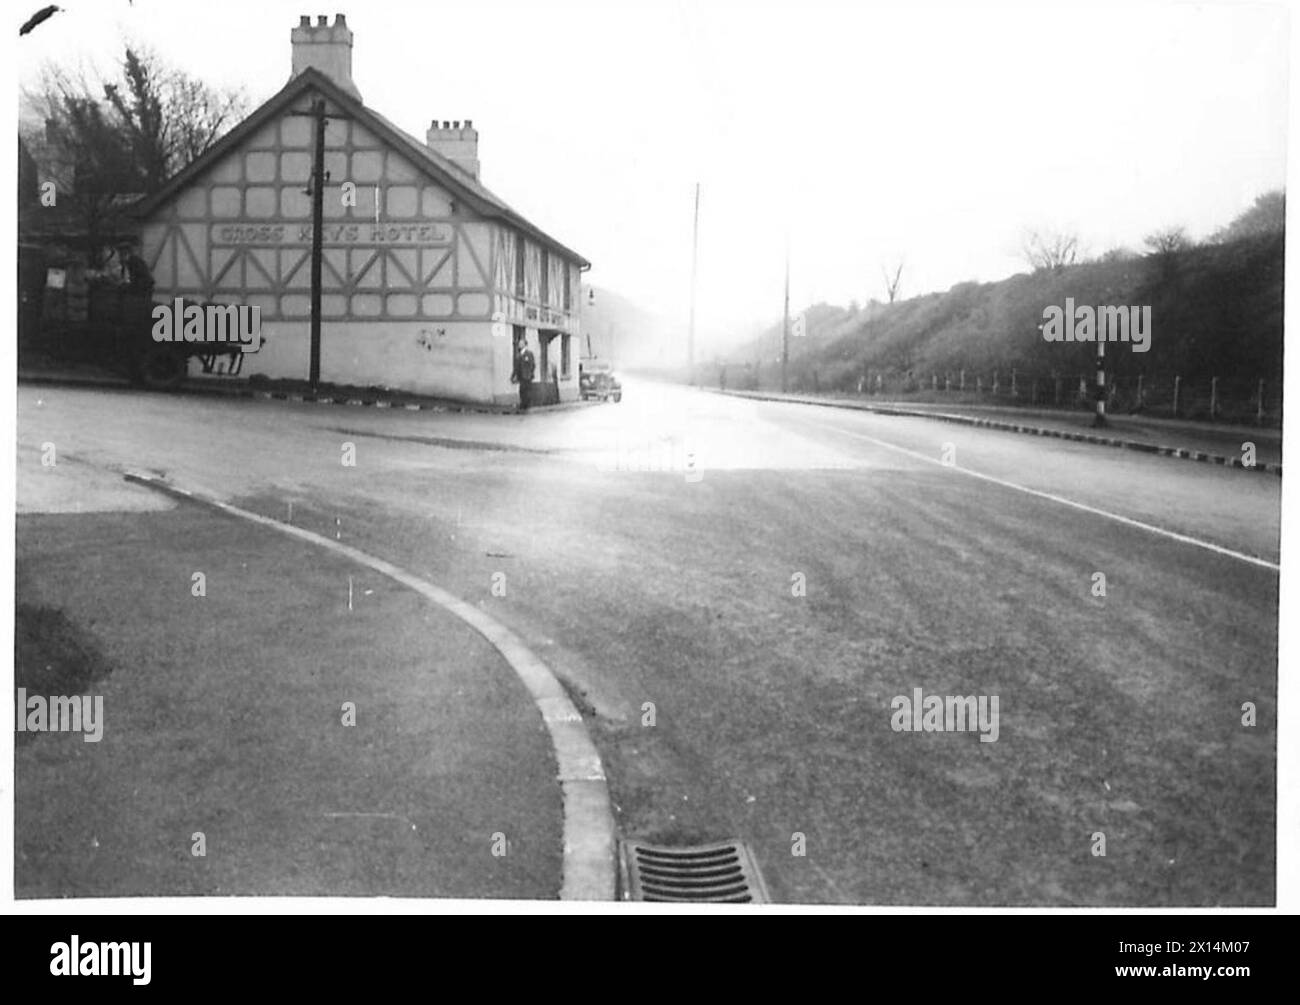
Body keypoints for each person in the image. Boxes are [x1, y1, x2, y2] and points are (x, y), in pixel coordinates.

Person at [517, 342, 536, 410]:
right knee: (522, 391)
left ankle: (527, 405)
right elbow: (517, 366)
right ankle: (523, 404)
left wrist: (530, 374)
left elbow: (532, 365)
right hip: (521, 376)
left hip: (527, 376)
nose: (519, 345)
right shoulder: (519, 354)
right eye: (519, 344)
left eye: (521, 344)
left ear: (525, 345)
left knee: (527, 391)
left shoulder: (529, 354)